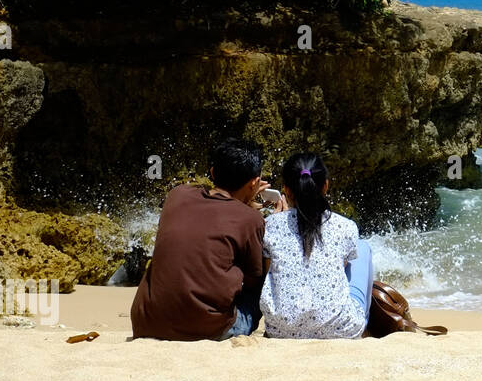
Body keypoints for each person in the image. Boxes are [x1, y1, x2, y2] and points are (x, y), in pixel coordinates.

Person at [130, 139, 274, 341]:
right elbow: (253, 278)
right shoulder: (251, 219)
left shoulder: (177, 195)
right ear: (254, 183)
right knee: (259, 284)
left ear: (213, 173)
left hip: (146, 323)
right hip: (209, 331)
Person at [259, 152, 372, 339]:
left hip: (281, 331)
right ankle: (363, 325)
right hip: (340, 330)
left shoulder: (270, 225)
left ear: (286, 190)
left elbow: (269, 272)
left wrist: (277, 219)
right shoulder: (345, 226)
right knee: (363, 247)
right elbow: (342, 268)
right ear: (325, 186)